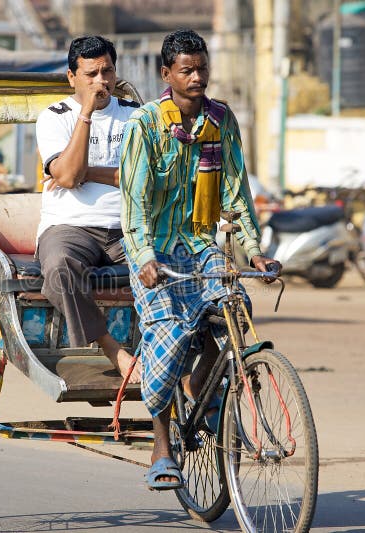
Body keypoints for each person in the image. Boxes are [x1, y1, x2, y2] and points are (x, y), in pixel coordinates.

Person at [119, 29, 281, 490]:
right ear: (166, 74)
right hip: (155, 254)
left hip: (199, 245)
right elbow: (134, 202)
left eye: (202, 68)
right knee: (168, 341)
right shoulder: (146, 125)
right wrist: (145, 257)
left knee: (234, 308)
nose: (197, 77)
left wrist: (255, 251)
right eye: (186, 70)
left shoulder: (221, 120)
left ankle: (200, 386)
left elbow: (236, 190)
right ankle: (162, 446)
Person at [35, 35, 141, 382]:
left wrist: (85, 173)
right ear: (72, 77)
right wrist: (86, 114)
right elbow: (65, 176)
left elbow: (140, 176)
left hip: (126, 226)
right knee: (59, 269)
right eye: (91, 74)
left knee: (172, 265)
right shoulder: (55, 117)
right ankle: (114, 350)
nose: (101, 82)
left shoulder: (135, 117)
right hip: (70, 228)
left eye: (107, 72)